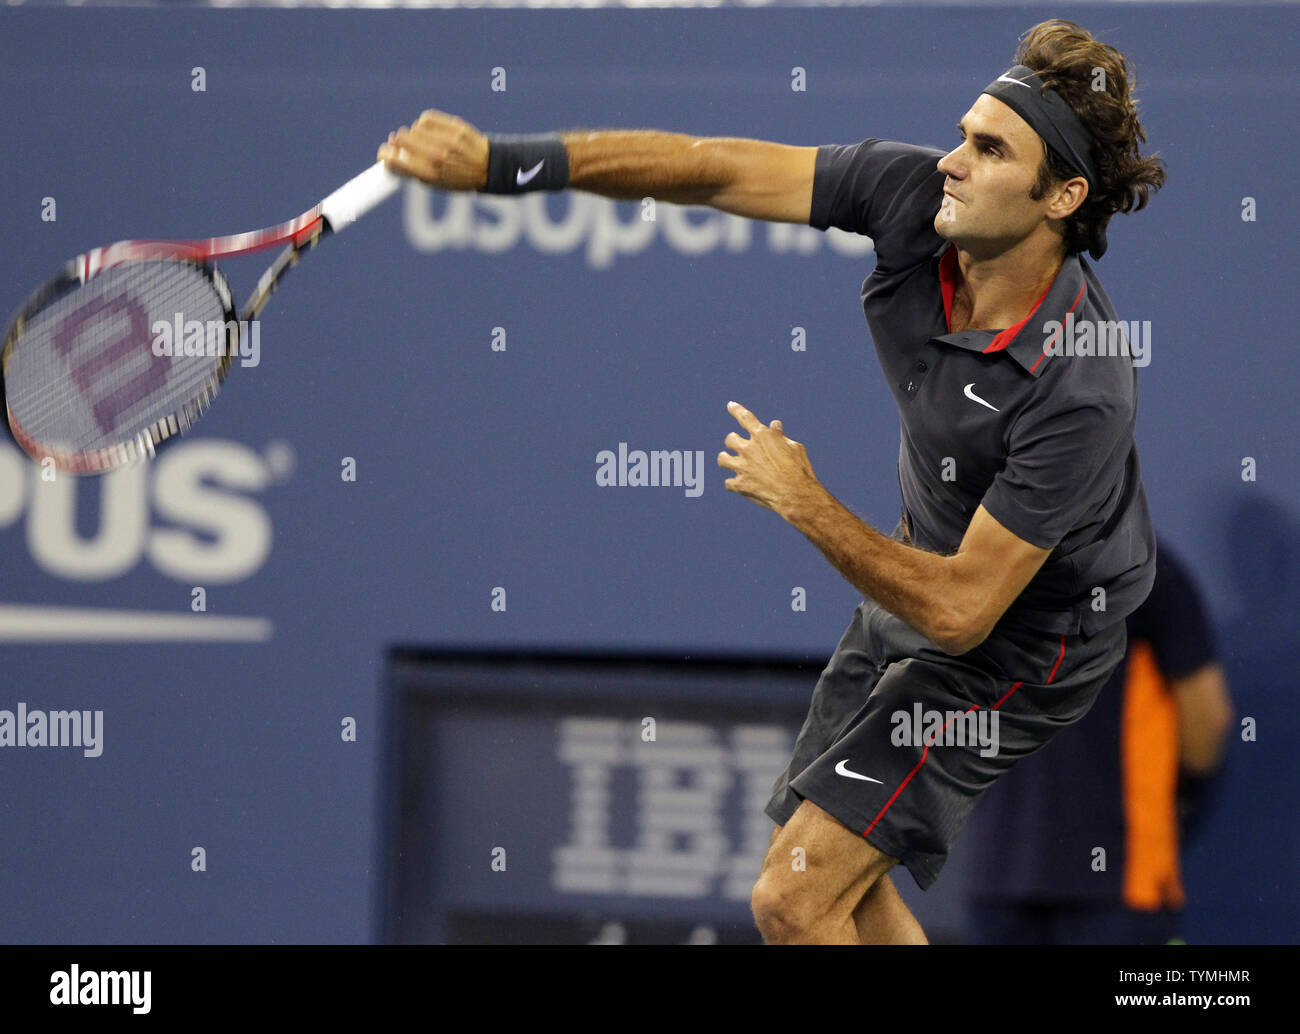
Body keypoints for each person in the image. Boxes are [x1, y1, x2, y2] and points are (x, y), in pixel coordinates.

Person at [378, 18, 1167, 944]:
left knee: (790, 902)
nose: (951, 161)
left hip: (1031, 645)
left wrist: (805, 503)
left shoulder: (1081, 385)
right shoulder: (915, 195)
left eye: (988, 150)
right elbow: (711, 167)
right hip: (924, 578)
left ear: (1062, 196)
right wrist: (507, 162)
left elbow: (963, 616)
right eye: (962, 133)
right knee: (831, 889)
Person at [963, 539, 1233, 944]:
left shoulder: (981, 560)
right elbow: (1208, 717)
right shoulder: (1144, 564)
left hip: (1001, 870)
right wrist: (1182, 803)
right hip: (1116, 880)